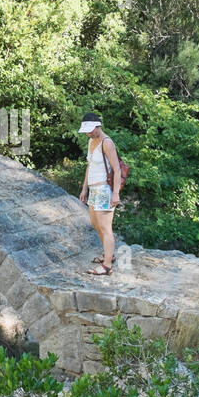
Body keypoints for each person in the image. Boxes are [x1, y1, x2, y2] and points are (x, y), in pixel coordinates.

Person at [77, 112, 122, 276]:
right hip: (93, 189)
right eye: (86, 131)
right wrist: (84, 189)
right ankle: (108, 254)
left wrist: (116, 193)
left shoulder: (107, 143)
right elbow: (89, 167)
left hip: (104, 189)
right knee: (96, 224)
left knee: (105, 227)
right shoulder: (91, 141)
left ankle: (107, 265)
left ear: (98, 126)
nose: (88, 133)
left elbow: (117, 169)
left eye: (90, 130)